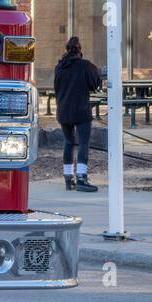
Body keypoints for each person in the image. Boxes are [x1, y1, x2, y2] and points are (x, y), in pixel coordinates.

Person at [53, 36, 103, 192]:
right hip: (81, 110)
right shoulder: (85, 66)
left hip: (63, 110)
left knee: (69, 143)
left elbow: (56, 87)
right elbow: (95, 84)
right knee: (83, 144)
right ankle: (82, 177)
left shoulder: (59, 67)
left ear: (67, 49)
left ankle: (68, 179)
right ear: (79, 50)